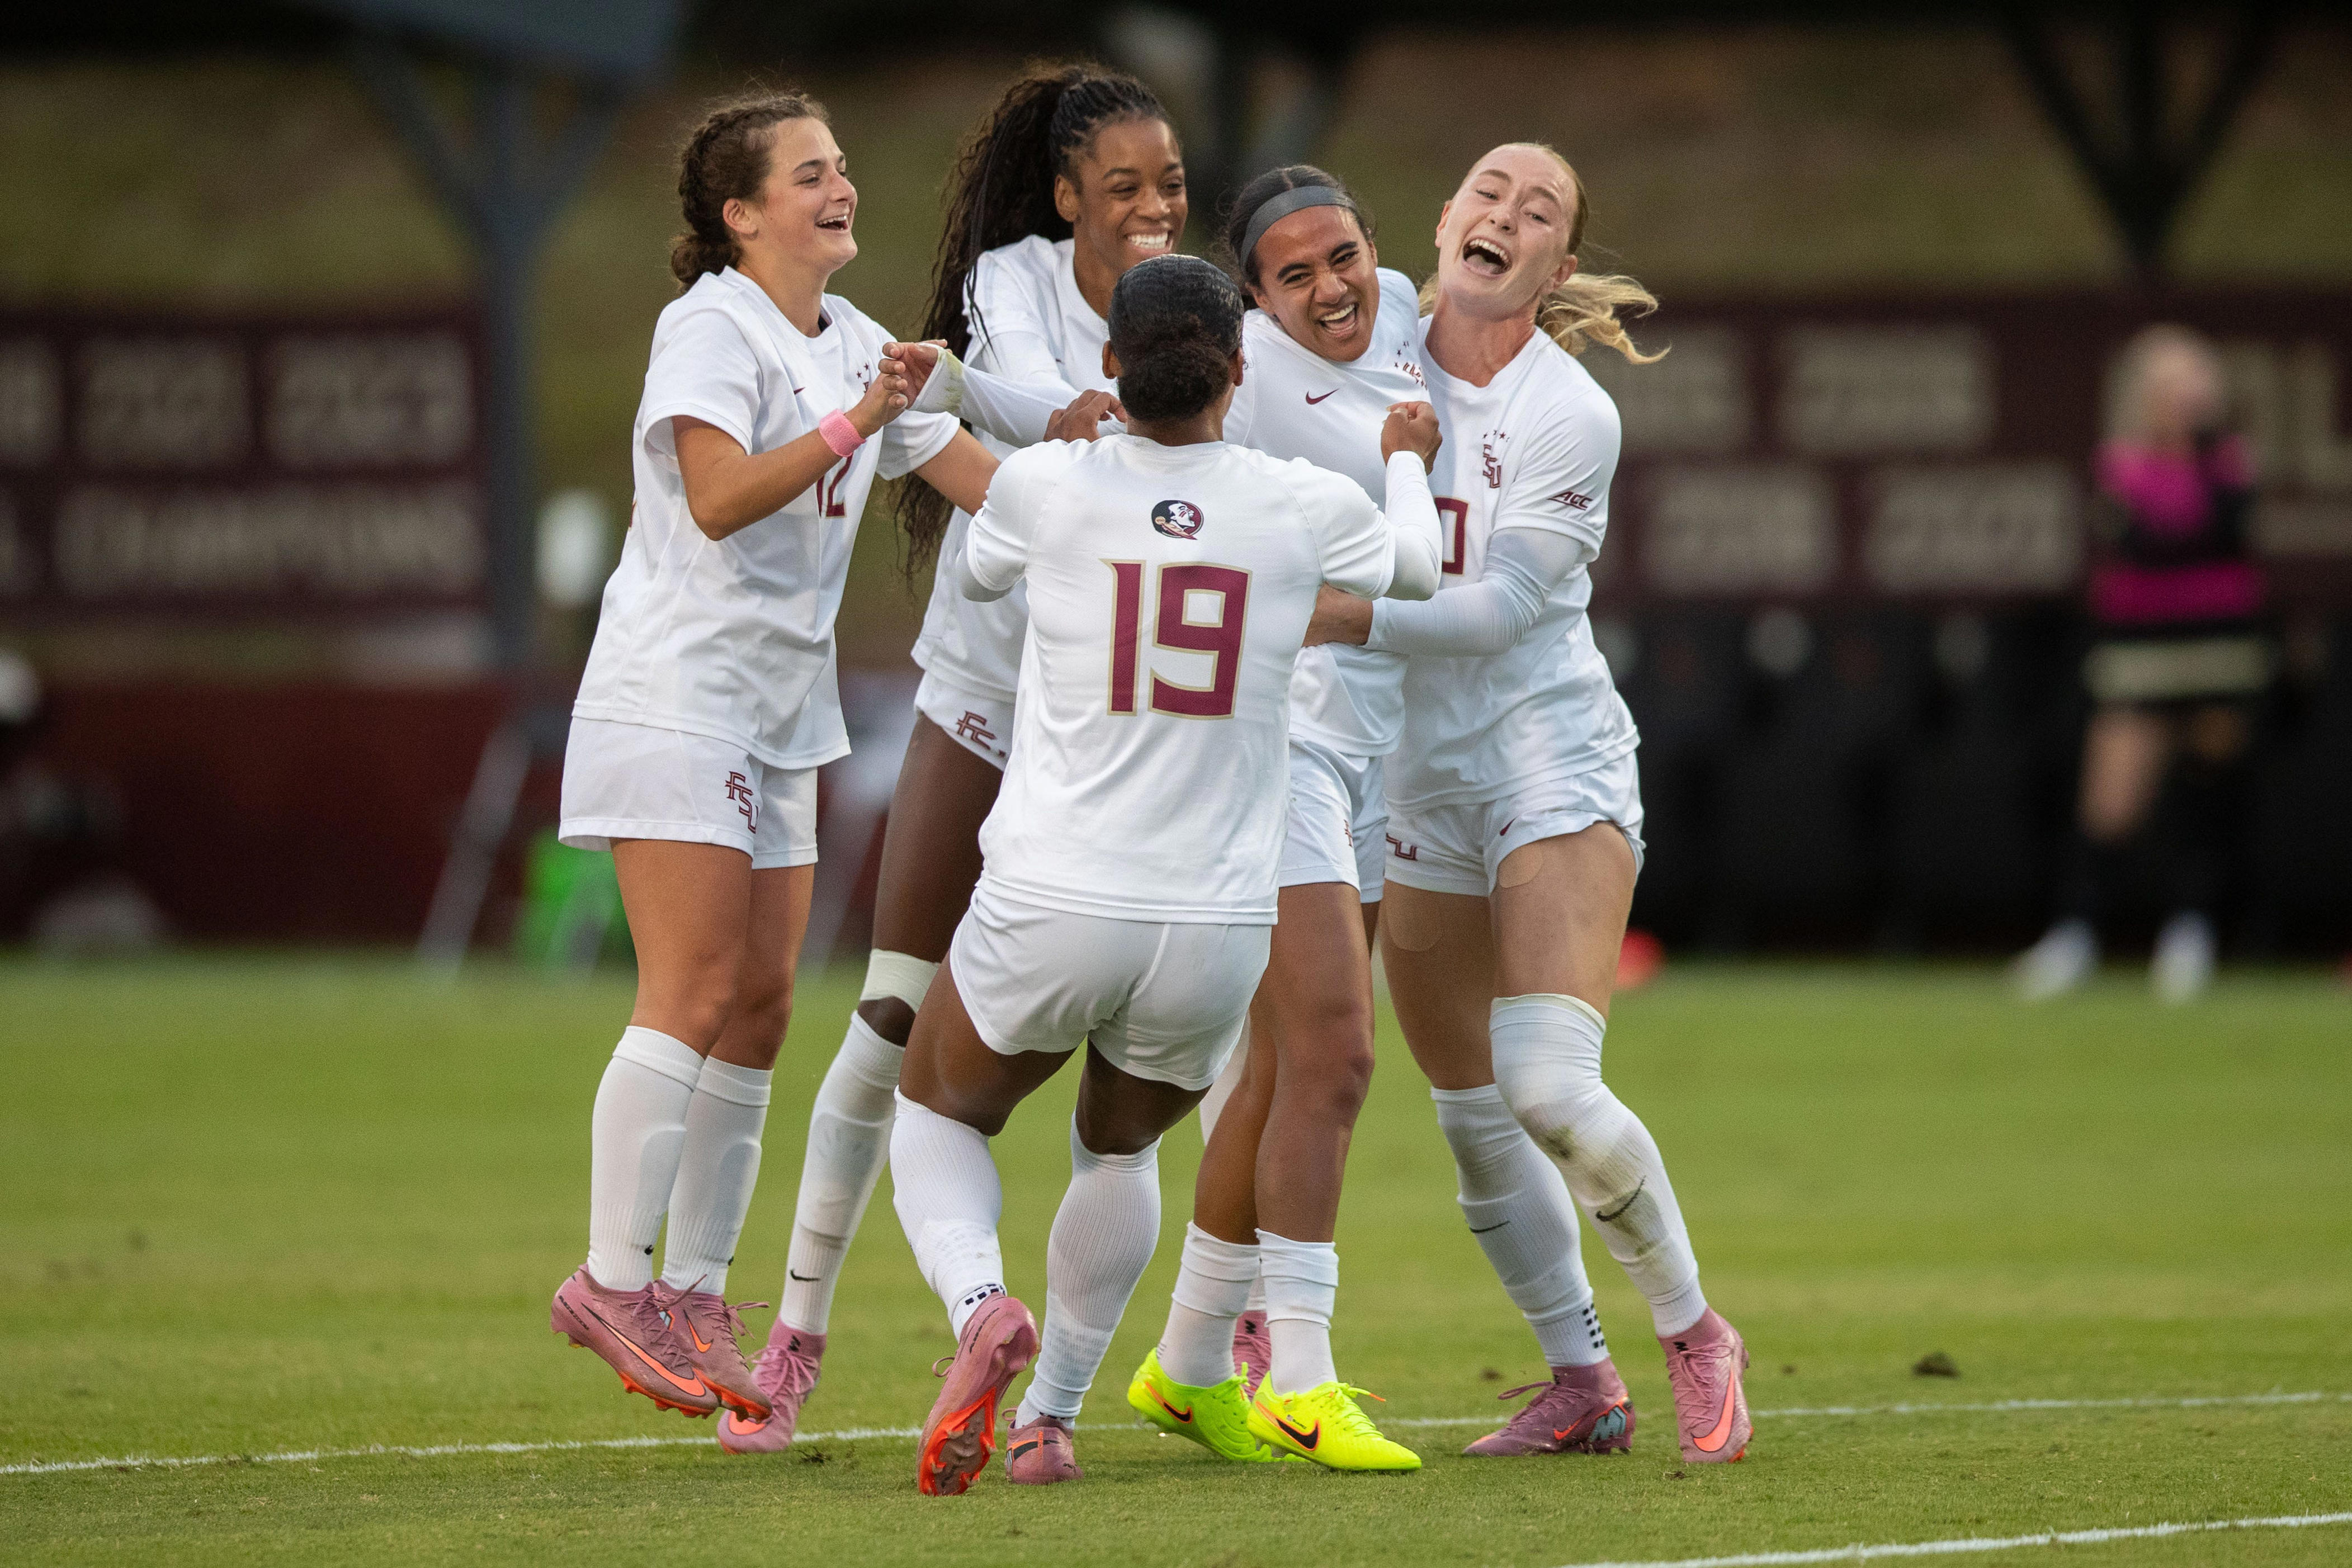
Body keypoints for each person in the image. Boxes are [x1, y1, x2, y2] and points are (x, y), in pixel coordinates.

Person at [887, 253, 1442, 1494]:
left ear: (1111, 366)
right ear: (1238, 372)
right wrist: (1405, 453)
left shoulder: (1049, 485)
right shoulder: (1297, 501)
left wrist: (1005, 413)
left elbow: (980, 566)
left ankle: (980, 1304)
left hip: (1055, 890)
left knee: (936, 1111)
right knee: (1118, 1150)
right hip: (1216, 917)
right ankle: (1050, 1416)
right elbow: (1414, 566)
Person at [720, 63, 1186, 1453]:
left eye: (1170, 184)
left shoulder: (1195, 305)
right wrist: (1081, 418)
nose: (1154, 207)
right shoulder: (1010, 281)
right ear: (1065, 197)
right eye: (1123, 185)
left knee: (1153, 1077)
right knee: (887, 1015)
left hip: (1118, 718)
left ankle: (1125, 1377)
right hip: (989, 688)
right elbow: (1029, 400)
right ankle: (796, 1338)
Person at [547, 89, 997, 1424]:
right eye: (810, 172)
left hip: (781, 709)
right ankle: (610, 1282)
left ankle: (694, 1292)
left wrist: (1113, 477)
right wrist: (858, 418)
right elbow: (717, 497)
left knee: (757, 1006)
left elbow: (975, 475)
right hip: (678, 691)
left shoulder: (850, 338)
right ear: (741, 214)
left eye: (841, 165)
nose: (840, 185)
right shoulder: (710, 325)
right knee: (688, 989)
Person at [1306, 141, 1753, 1465]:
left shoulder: (1569, 412)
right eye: (1488, 192)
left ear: (1555, 266)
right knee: (1468, 1113)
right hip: (1414, 774)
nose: (1504, 213)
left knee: (1548, 1086)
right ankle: (1579, 1376)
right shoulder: (1364, 340)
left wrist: (1336, 614)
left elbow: (1501, 609)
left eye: (1538, 208)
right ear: (1445, 218)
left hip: (1546, 755)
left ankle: (1693, 1332)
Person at [1125, 166, 1441, 1473]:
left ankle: (1187, 1363)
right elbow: (1166, 512)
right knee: (1336, 1051)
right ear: (1252, 302)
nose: (1331, 288)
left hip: (1368, 749)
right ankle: (1299, 1375)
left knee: (1274, 1070)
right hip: (1281, 743)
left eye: (1343, 256)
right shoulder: (1248, 384)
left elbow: (1473, 300)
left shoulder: (1403, 308)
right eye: (1294, 274)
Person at [2013, 324, 2268, 1005]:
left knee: (2206, 793)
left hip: (2218, 649)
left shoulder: (2229, 461)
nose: (2188, 396)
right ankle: (2077, 934)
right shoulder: (2119, 465)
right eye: (2172, 384)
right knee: (2112, 802)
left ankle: (2191, 934)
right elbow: (2147, 541)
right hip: (2141, 651)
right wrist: (2182, 515)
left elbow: (2224, 528)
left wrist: (2199, 468)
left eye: (2196, 382)